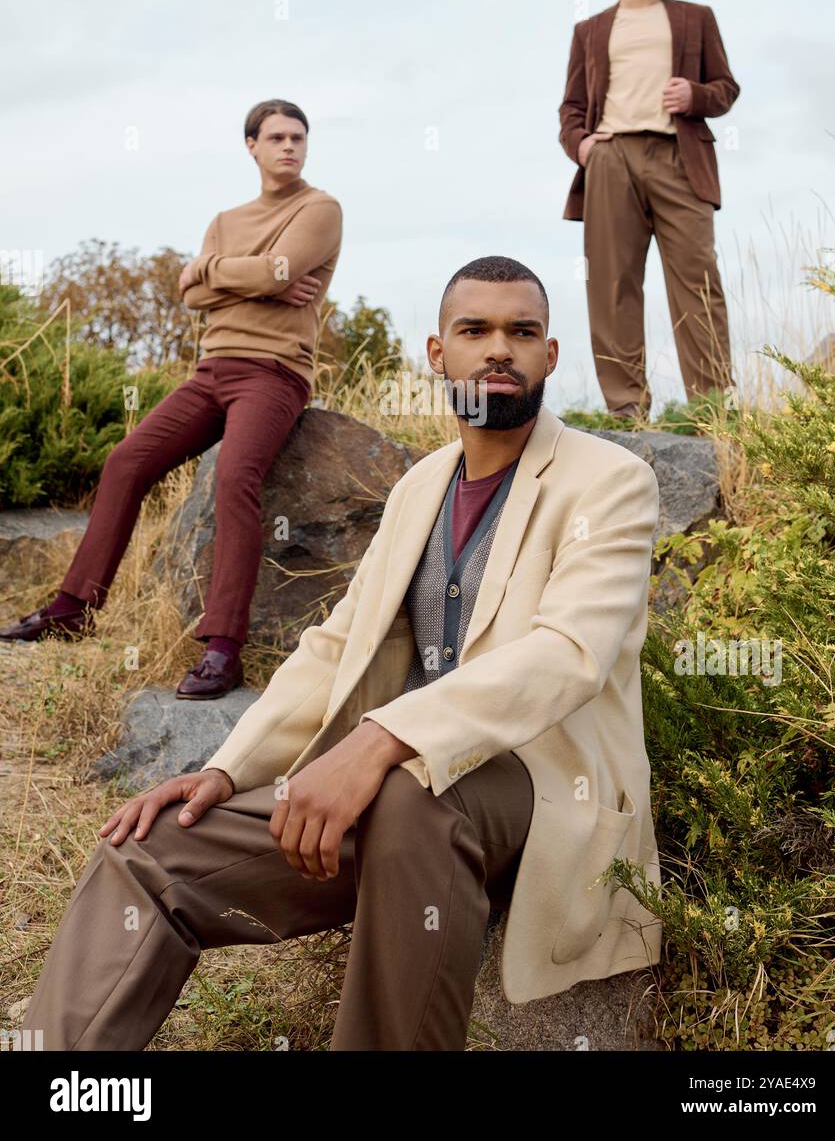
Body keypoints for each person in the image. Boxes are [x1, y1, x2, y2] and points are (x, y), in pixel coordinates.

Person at [22, 256, 662, 1052]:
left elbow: (569, 654)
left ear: (549, 356)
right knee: (149, 847)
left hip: (539, 791)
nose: (499, 349)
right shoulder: (419, 487)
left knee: (409, 796)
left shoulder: (611, 482)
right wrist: (229, 769)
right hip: (402, 798)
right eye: (475, 331)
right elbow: (335, 645)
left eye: (521, 332)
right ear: (437, 354)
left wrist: (379, 741)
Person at [0, 99, 342, 699]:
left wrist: (208, 271)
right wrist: (242, 274)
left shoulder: (320, 208)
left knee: (234, 477)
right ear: (251, 146)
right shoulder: (225, 219)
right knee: (126, 462)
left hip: (274, 373)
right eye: (277, 137)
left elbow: (277, 275)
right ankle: (72, 608)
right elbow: (194, 299)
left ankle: (223, 649)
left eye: (299, 138)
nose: (290, 147)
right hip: (211, 371)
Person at [559, 0, 739, 420]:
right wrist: (582, 146)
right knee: (611, 284)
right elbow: (570, 107)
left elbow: (726, 87)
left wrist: (696, 95)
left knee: (698, 282)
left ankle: (713, 410)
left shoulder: (695, 18)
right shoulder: (590, 30)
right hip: (611, 159)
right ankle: (626, 410)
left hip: (679, 157)